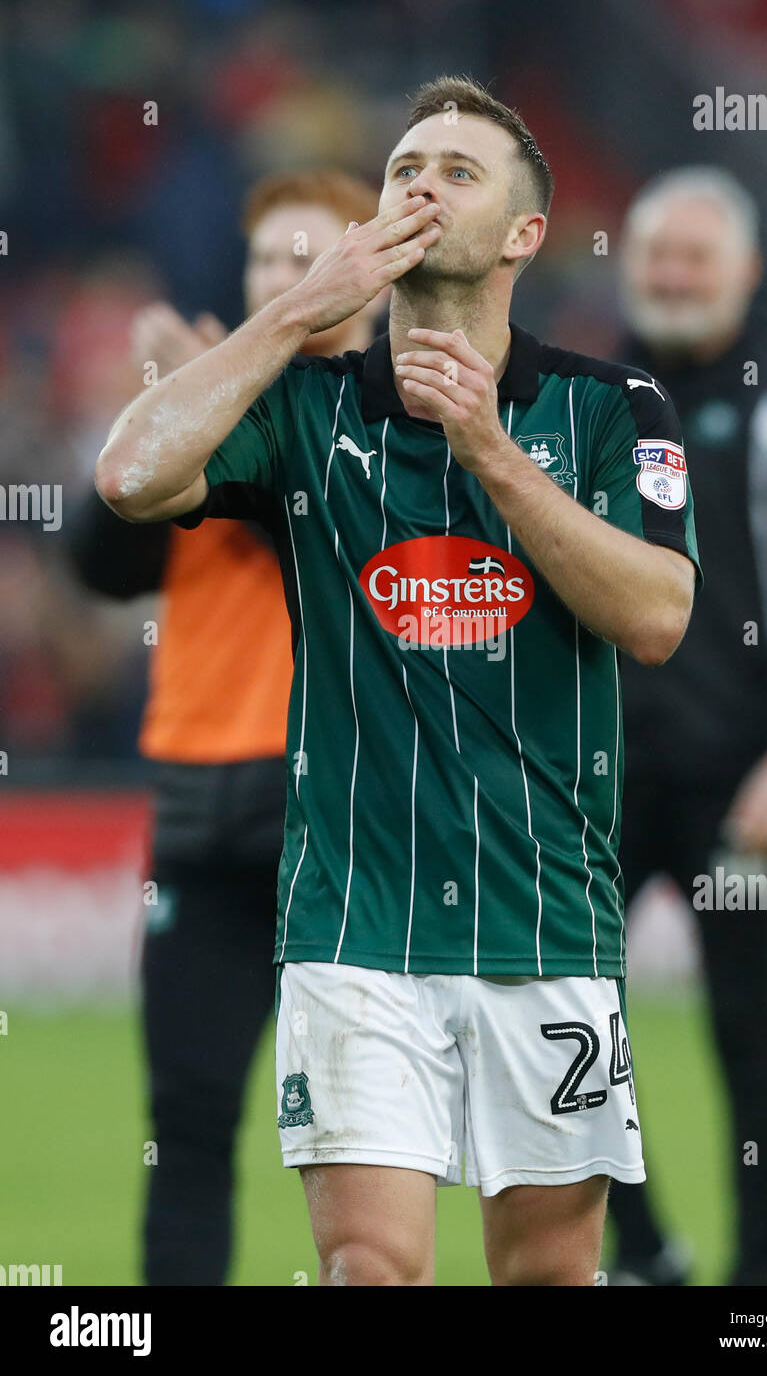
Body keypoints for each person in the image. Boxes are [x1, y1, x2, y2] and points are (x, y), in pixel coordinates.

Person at [94, 75, 701, 1288]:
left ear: (526, 234)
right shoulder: (309, 406)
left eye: (458, 171)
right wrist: (290, 316)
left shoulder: (605, 404)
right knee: (370, 1267)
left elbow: (655, 616)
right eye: (403, 168)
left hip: (547, 920)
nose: (421, 183)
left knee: (547, 1274)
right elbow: (129, 478)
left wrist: (488, 452)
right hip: (353, 926)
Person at [69, 170, 382, 1285]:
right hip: (201, 810)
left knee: (368, 1141)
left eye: (306, 262)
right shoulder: (199, 409)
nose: (280, 280)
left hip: (342, 822)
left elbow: (286, 525)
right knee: (189, 1122)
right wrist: (157, 398)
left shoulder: (384, 413)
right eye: (264, 263)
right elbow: (103, 564)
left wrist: (217, 372)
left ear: (368, 274)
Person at [606, 167, 767, 1287]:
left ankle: (758, 1286)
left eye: (694, 258)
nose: (671, 276)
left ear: (745, 272)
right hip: (596, 780)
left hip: (739, 784)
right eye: (657, 256)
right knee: (561, 1033)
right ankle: (635, 1252)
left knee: (748, 1036)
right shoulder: (582, 396)